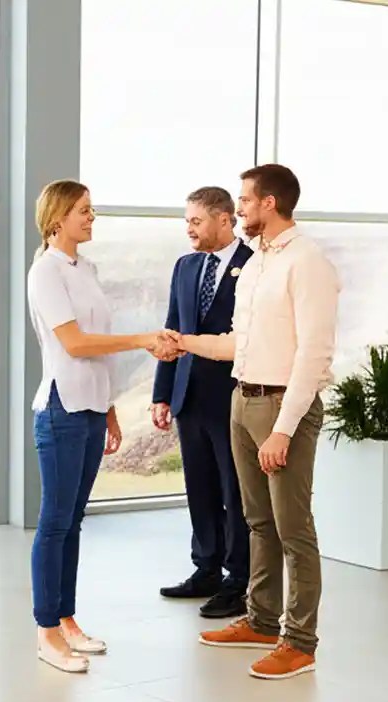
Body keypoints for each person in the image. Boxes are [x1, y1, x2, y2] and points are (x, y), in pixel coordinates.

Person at [164, 164, 339, 680]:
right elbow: (240, 341)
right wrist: (184, 343)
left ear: (270, 203)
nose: (238, 207)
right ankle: (261, 621)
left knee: (293, 529)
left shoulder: (307, 262)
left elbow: (313, 353)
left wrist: (284, 428)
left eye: (244, 199)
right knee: (256, 520)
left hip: (284, 405)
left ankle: (300, 642)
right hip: (243, 398)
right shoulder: (260, 260)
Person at [26, 179, 178, 673]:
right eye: (84, 211)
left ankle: (67, 620)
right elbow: (74, 343)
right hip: (62, 410)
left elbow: (97, 346)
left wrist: (109, 407)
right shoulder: (46, 272)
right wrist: (141, 340)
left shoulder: (84, 268)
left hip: (90, 409)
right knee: (54, 523)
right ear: (57, 220)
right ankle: (47, 632)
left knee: (73, 521)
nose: (92, 218)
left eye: (92, 210)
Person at [153, 187, 253, 619]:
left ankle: (239, 579)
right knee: (200, 489)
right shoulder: (186, 266)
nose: (189, 229)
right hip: (188, 397)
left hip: (233, 397)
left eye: (196, 220)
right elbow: (173, 330)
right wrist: (162, 393)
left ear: (225, 219)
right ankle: (206, 568)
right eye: (187, 221)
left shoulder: (253, 265)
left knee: (236, 492)